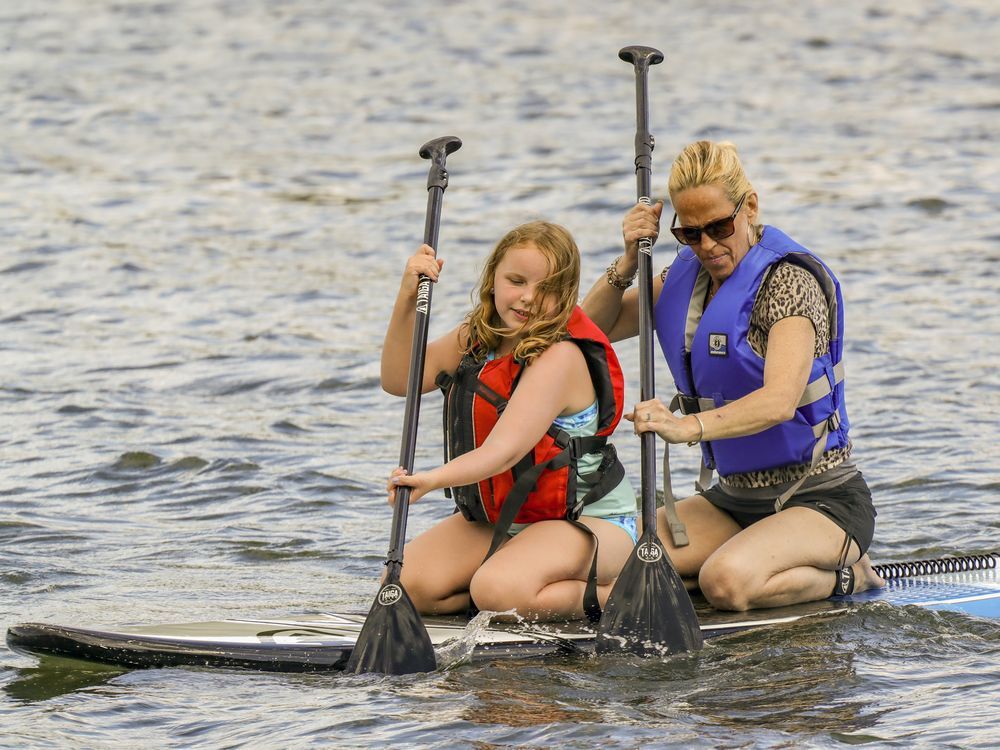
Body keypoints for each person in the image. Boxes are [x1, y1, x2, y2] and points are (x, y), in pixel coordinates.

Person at [582, 140, 883, 612]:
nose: (707, 245)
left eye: (720, 227)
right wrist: (625, 261)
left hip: (819, 498)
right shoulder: (687, 275)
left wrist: (686, 427)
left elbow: (779, 401)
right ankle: (746, 563)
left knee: (725, 582)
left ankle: (849, 575)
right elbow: (592, 329)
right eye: (691, 233)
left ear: (751, 207)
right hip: (732, 499)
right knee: (622, 559)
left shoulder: (788, 284)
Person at [381, 221, 639, 622]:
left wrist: (429, 480)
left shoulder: (561, 357)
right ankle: (515, 582)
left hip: (585, 521)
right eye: (516, 281)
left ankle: (624, 591)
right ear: (492, 278)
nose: (528, 298)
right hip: (507, 520)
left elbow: (505, 451)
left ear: (567, 294)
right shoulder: (479, 338)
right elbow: (400, 379)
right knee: (403, 586)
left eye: (548, 289)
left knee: (496, 592)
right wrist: (407, 297)